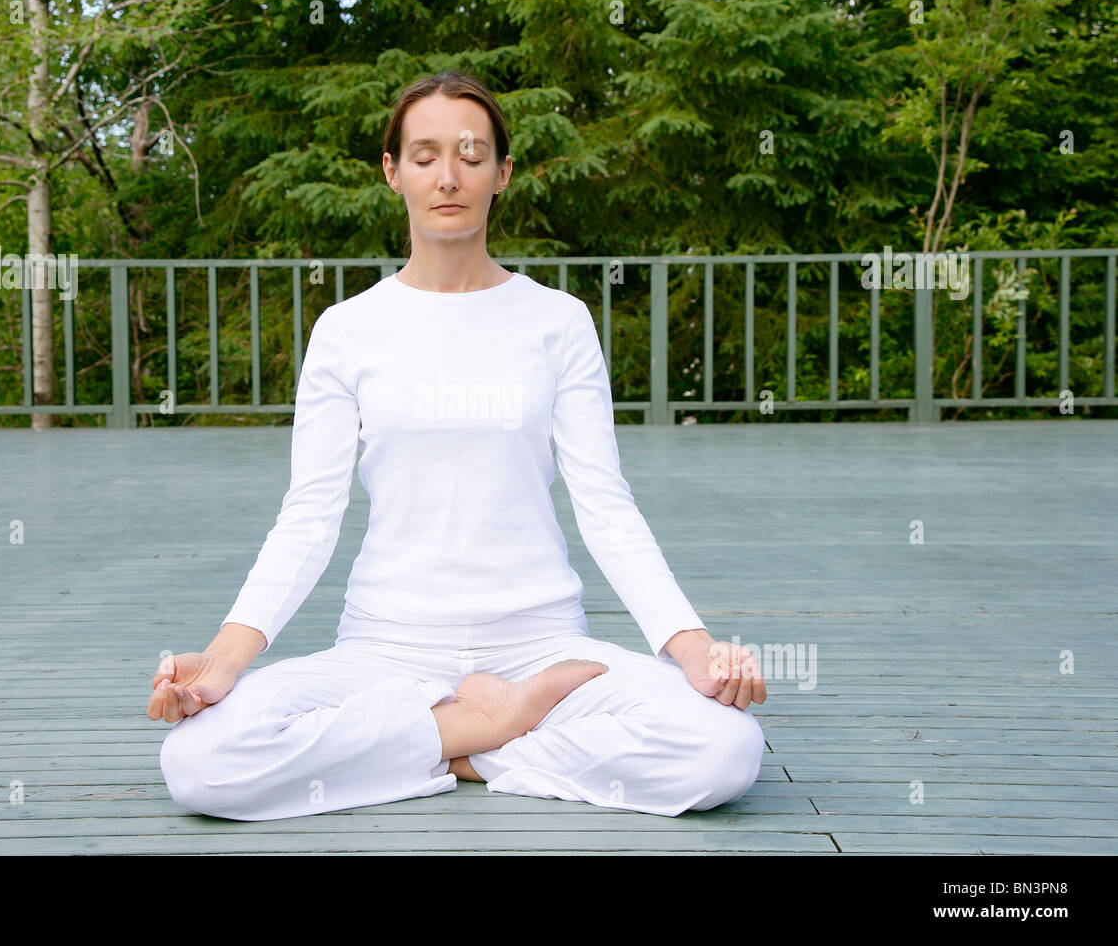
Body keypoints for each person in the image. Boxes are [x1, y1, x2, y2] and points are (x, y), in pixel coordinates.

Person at [151, 70, 767, 822]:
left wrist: (695, 650)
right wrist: (221, 662)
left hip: (541, 648)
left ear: (502, 174)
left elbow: (606, 507)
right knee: (199, 762)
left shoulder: (558, 321)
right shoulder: (347, 330)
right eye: (425, 155)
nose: (449, 176)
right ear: (393, 172)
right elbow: (308, 518)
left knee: (724, 748)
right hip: (385, 650)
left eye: (472, 156)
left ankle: (465, 749)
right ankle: (479, 731)